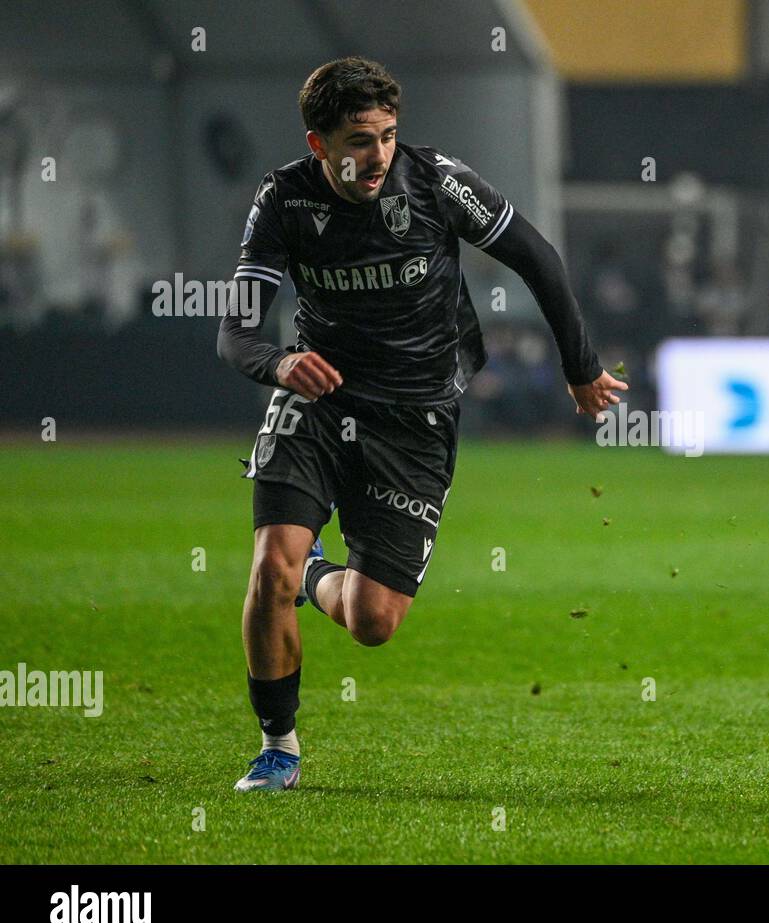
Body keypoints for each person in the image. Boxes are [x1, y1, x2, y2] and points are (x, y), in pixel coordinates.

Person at [216, 57, 626, 792]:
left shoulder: (436, 182)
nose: (377, 155)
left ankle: (313, 574)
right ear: (319, 144)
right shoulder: (282, 197)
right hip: (317, 400)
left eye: (387, 136)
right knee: (268, 565)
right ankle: (279, 746)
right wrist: (279, 364)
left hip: (415, 416)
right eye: (360, 140)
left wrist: (580, 365)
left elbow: (536, 256)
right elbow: (237, 331)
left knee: (374, 619)